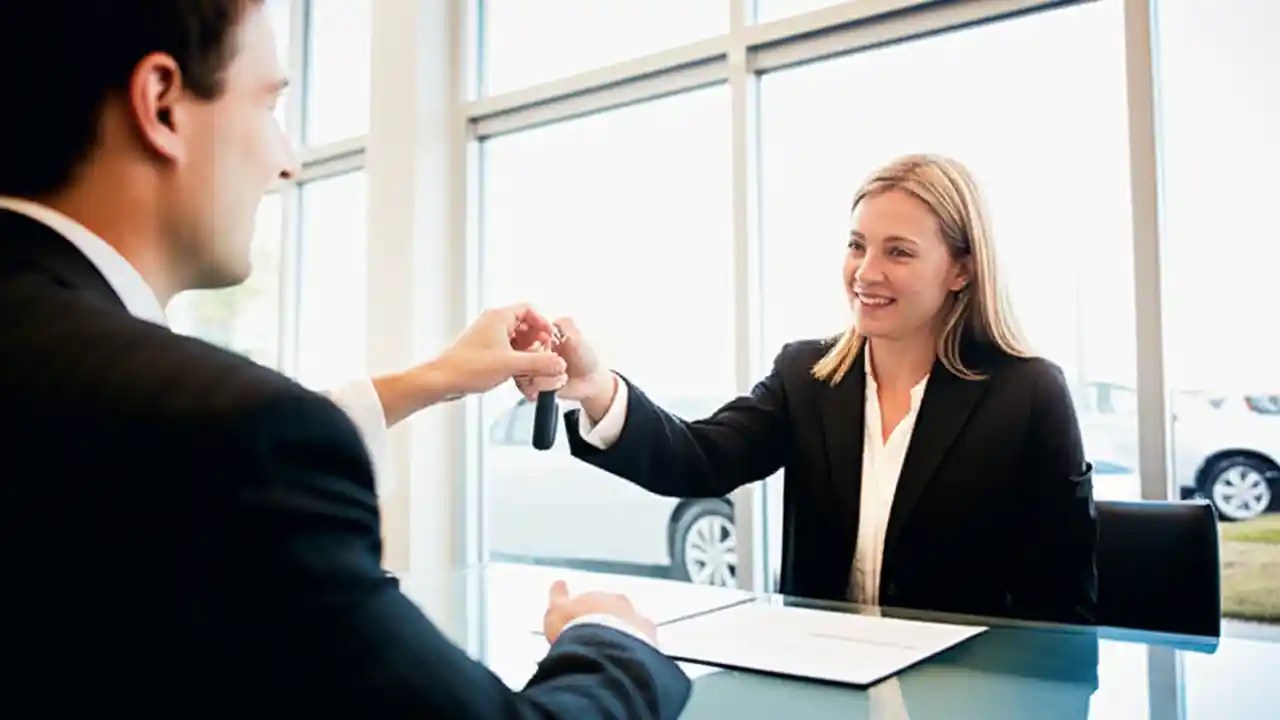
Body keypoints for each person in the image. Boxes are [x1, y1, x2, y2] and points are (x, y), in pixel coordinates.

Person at [0, 1, 689, 716]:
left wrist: (435, 378)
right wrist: (613, 640)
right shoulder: (234, 441)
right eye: (268, 105)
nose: (288, 161)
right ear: (163, 104)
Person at [519, 154, 1098, 625]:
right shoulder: (809, 375)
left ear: (961, 270)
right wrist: (596, 386)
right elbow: (699, 460)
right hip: (823, 688)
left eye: (898, 251)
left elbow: (1062, 609)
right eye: (856, 245)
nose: (866, 272)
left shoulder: (1028, 395)